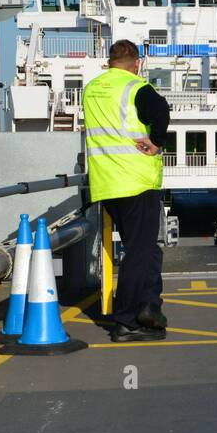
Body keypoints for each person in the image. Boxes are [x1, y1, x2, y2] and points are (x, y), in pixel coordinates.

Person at [83, 40, 171, 342]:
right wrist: (157, 141)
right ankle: (126, 321)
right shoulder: (136, 87)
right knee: (138, 250)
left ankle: (149, 307)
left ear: (110, 62)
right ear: (136, 63)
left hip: (106, 183)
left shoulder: (91, 89)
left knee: (145, 248)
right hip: (136, 180)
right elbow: (161, 111)